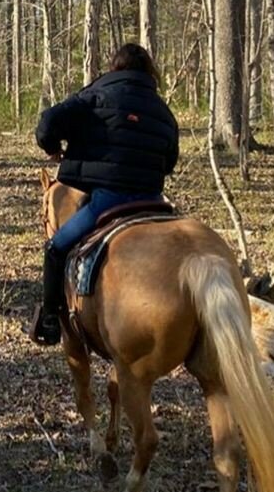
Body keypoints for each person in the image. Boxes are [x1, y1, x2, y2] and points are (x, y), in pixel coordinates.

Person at [32, 43, 179, 346]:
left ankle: (50, 319)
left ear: (115, 68)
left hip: (109, 199)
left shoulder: (96, 96)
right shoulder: (163, 110)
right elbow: (170, 161)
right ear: (149, 72)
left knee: (56, 249)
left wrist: (53, 149)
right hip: (155, 202)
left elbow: (47, 122)